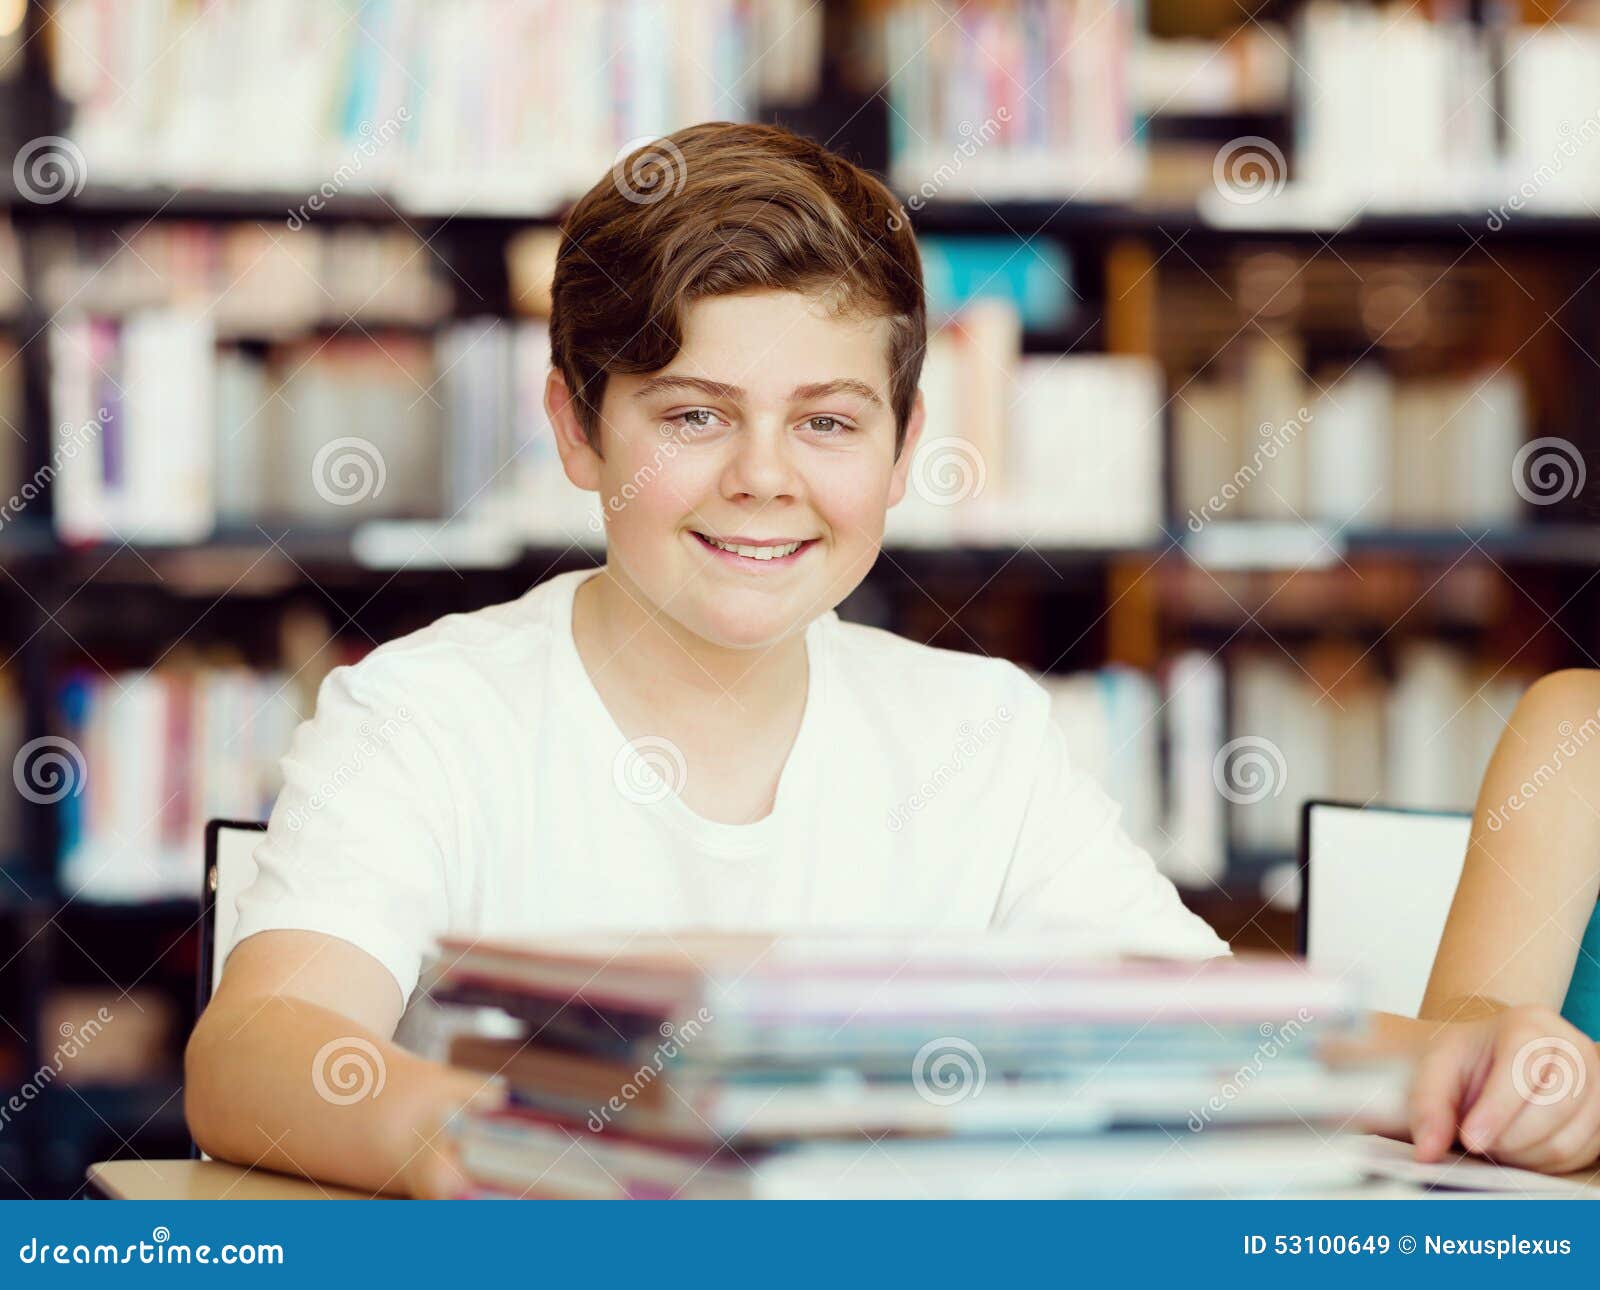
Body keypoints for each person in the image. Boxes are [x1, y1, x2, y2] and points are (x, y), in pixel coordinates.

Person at [184, 121, 1229, 1198]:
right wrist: (510, 1145)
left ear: (905, 446)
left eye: (826, 423)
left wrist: (1415, 1065)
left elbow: (1220, 1042)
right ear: (579, 429)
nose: (763, 477)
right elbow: (252, 1054)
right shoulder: (423, 718)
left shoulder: (981, 732)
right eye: (693, 415)